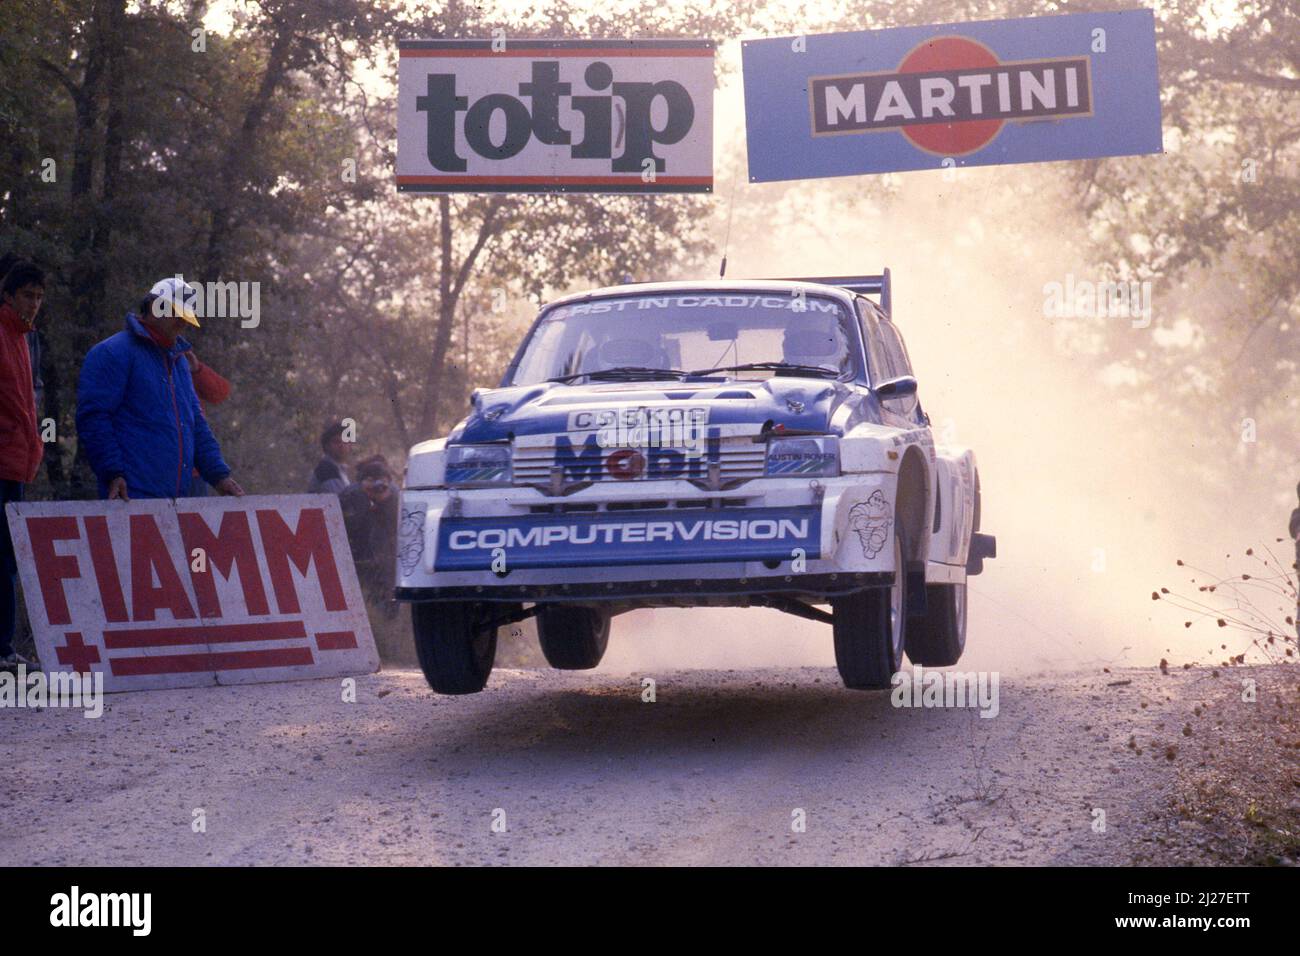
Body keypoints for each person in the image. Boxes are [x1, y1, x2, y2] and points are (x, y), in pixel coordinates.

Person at [76, 277, 244, 500]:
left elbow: (196, 424)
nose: (183, 324)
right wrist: (112, 473)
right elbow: (94, 418)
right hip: (129, 495)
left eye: (187, 318)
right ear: (156, 308)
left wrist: (219, 476)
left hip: (177, 498)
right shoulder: (112, 353)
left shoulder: (180, 362)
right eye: (178, 315)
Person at [0, 260, 45, 670]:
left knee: (7, 559)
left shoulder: (25, 338)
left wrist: (34, 445)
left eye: (38, 296)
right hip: (5, 459)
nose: (33, 303)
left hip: (15, 462)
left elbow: (28, 402)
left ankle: (5, 649)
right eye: (27, 295)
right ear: (9, 295)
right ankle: (2, 651)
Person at [340, 455, 398, 610]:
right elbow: (350, 526)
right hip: (360, 560)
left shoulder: (393, 495)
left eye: (383, 480)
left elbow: (396, 523)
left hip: (384, 563)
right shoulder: (352, 495)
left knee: (387, 608)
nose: (378, 486)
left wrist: (384, 502)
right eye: (372, 480)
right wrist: (365, 502)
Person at [309, 421, 352, 494]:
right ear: (327, 446)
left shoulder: (340, 470)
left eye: (345, 442)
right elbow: (339, 499)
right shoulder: (326, 469)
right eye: (336, 442)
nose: (341, 445)